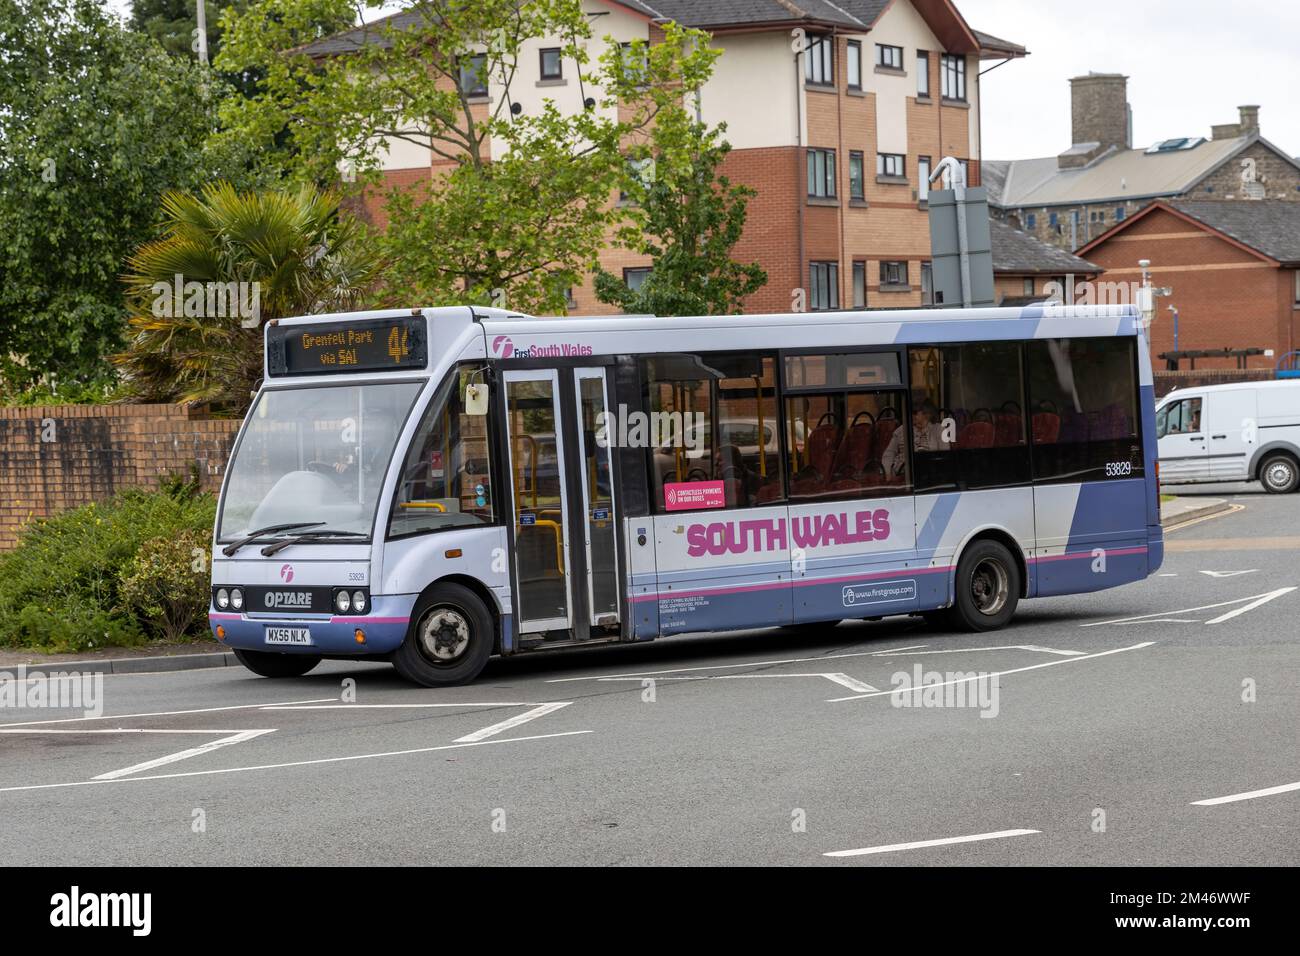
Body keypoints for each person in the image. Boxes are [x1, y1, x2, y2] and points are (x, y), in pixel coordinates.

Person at [882, 400, 949, 477]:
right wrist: (887, 472)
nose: (912, 415)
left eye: (915, 413)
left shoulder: (939, 430)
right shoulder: (902, 430)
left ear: (927, 414)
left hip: (931, 474)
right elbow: (889, 453)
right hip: (902, 474)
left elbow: (945, 456)